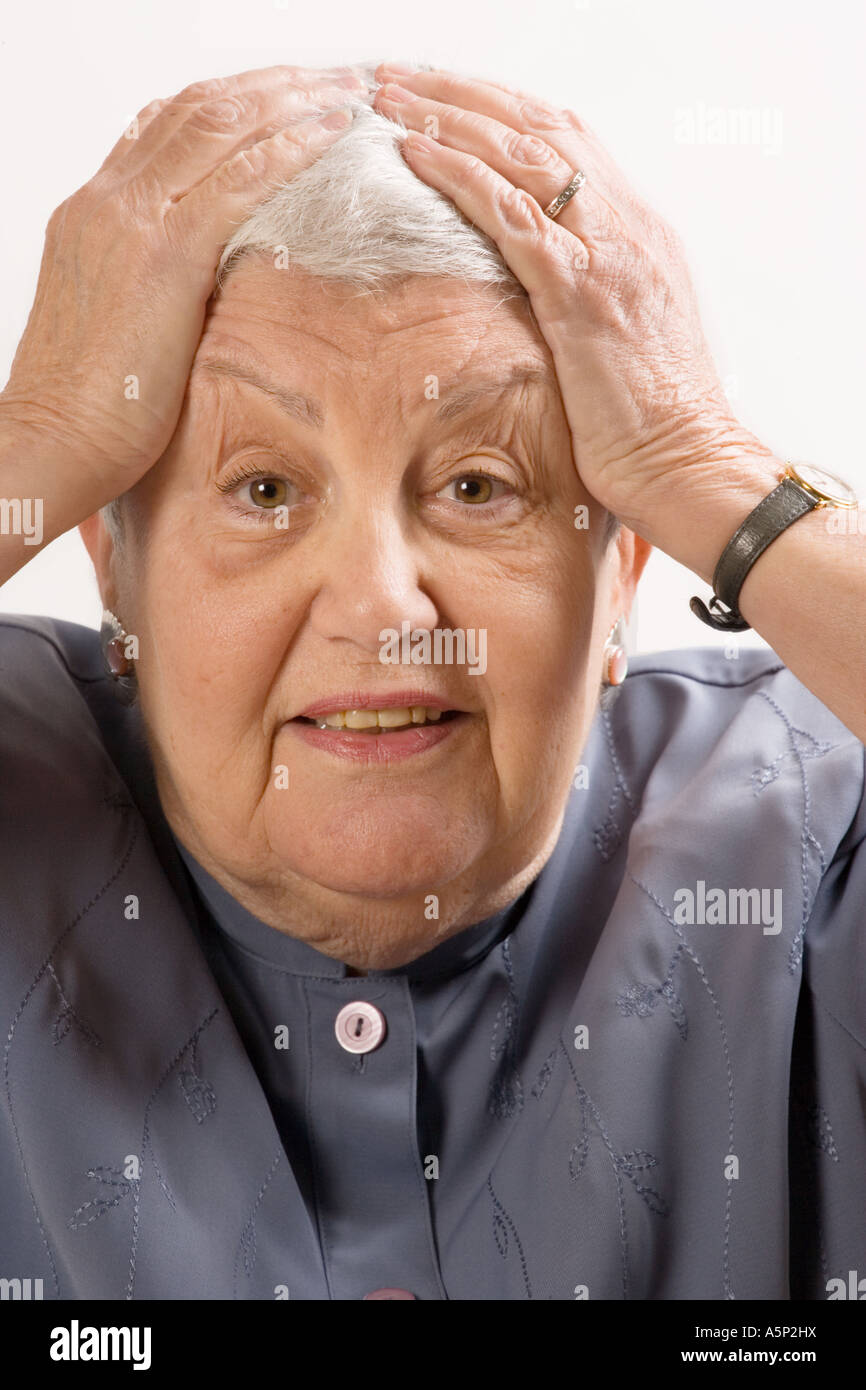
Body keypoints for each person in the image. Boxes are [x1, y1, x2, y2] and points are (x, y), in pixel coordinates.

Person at [0, 58, 863, 1302]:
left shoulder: (805, 827)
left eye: (476, 485)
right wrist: (37, 439)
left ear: (621, 570)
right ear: (113, 572)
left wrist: (705, 465)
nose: (378, 606)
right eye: (262, 487)